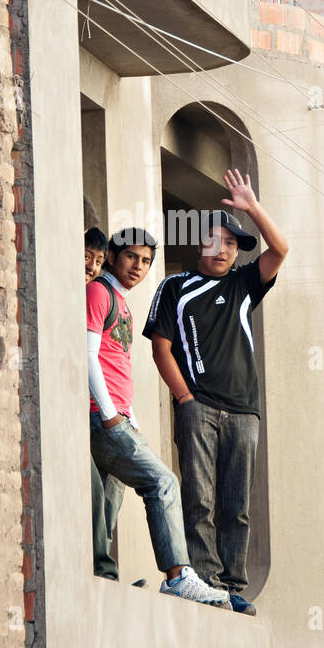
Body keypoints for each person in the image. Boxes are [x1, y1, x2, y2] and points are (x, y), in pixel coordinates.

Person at [143, 169, 288, 616]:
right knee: (199, 498)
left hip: (245, 411)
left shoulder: (244, 284)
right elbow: (161, 348)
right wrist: (185, 398)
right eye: (217, 241)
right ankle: (203, 580)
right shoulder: (175, 287)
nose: (224, 249)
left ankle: (231, 584)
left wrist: (252, 207)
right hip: (198, 408)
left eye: (231, 244)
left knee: (236, 504)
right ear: (199, 242)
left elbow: (280, 249)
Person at [87, 227, 231, 607]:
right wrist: (109, 416)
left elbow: (114, 364)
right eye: (131, 256)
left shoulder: (123, 303)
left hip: (117, 415)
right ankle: (178, 576)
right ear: (114, 257)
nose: (139, 266)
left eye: (146, 261)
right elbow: (87, 357)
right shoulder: (98, 292)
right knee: (163, 482)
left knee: (107, 500)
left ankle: (100, 576)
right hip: (101, 416)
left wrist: (129, 416)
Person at [83, 227, 123, 579]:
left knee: (114, 485)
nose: (92, 266)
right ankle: (100, 567)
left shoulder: (98, 295)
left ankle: (104, 562)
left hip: (107, 409)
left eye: (98, 260)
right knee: (93, 486)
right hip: (84, 413)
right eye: (86, 257)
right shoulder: (85, 296)